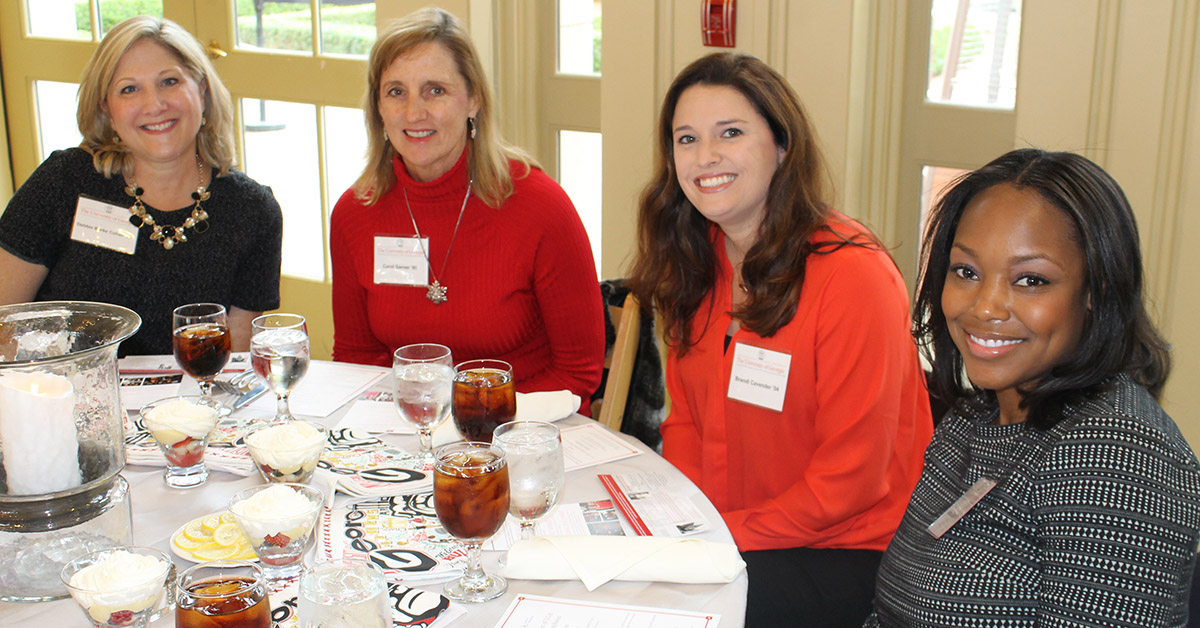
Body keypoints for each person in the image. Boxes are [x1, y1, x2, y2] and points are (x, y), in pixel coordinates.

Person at [625, 52, 933, 627]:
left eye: (731, 133)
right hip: (738, 533)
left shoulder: (851, 274)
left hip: (849, 551)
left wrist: (720, 536)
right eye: (686, 138)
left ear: (782, 146)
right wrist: (692, 524)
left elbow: (852, 480)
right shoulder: (699, 261)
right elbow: (687, 422)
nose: (706, 157)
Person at [866, 149, 1200, 627]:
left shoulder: (1119, 456)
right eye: (966, 272)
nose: (985, 307)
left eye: (1031, 280)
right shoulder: (974, 419)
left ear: (1095, 292)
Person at [330, 8, 603, 408]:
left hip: (520, 429)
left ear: (473, 98)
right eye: (396, 92)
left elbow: (578, 372)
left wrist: (475, 425)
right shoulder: (356, 212)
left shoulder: (540, 207)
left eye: (435, 90)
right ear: (378, 108)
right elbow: (357, 359)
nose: (413, 112)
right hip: (409, 432)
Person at [0, 16, 281, 355]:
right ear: (107, 108)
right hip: (64, 396)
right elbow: (4, 322)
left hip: (189, 406)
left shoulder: (251, 209)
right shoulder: (65, 181)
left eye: (169, 81)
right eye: (129, 89)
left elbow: (234, 362)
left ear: (202, 91)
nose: (154, 105)